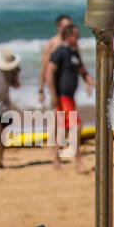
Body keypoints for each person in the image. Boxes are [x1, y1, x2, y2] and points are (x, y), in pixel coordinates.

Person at [42, 23, 92, 173]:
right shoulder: (60, 52)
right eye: (76, 35)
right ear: (69, 36)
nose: (79, 38)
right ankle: (78, 162)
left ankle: (56, 160)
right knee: (76, 127)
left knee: (63, 129)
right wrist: (53, 94)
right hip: (62, 97)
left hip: (70, 98)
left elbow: (83, 72)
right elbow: (49, 72)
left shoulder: (74, 53)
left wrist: (95, 84)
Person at [38, 14, 74, 106]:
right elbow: (44, 68)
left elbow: (78, 64)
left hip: (69, 88)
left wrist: (86, 83)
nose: (69, 29)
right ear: (59, 27)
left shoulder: (72, 43)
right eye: (66, 26)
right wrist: (41, 90)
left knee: (70, 116)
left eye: (70, 26)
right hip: (56, 87)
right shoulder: (50, 44)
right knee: (62, 116)